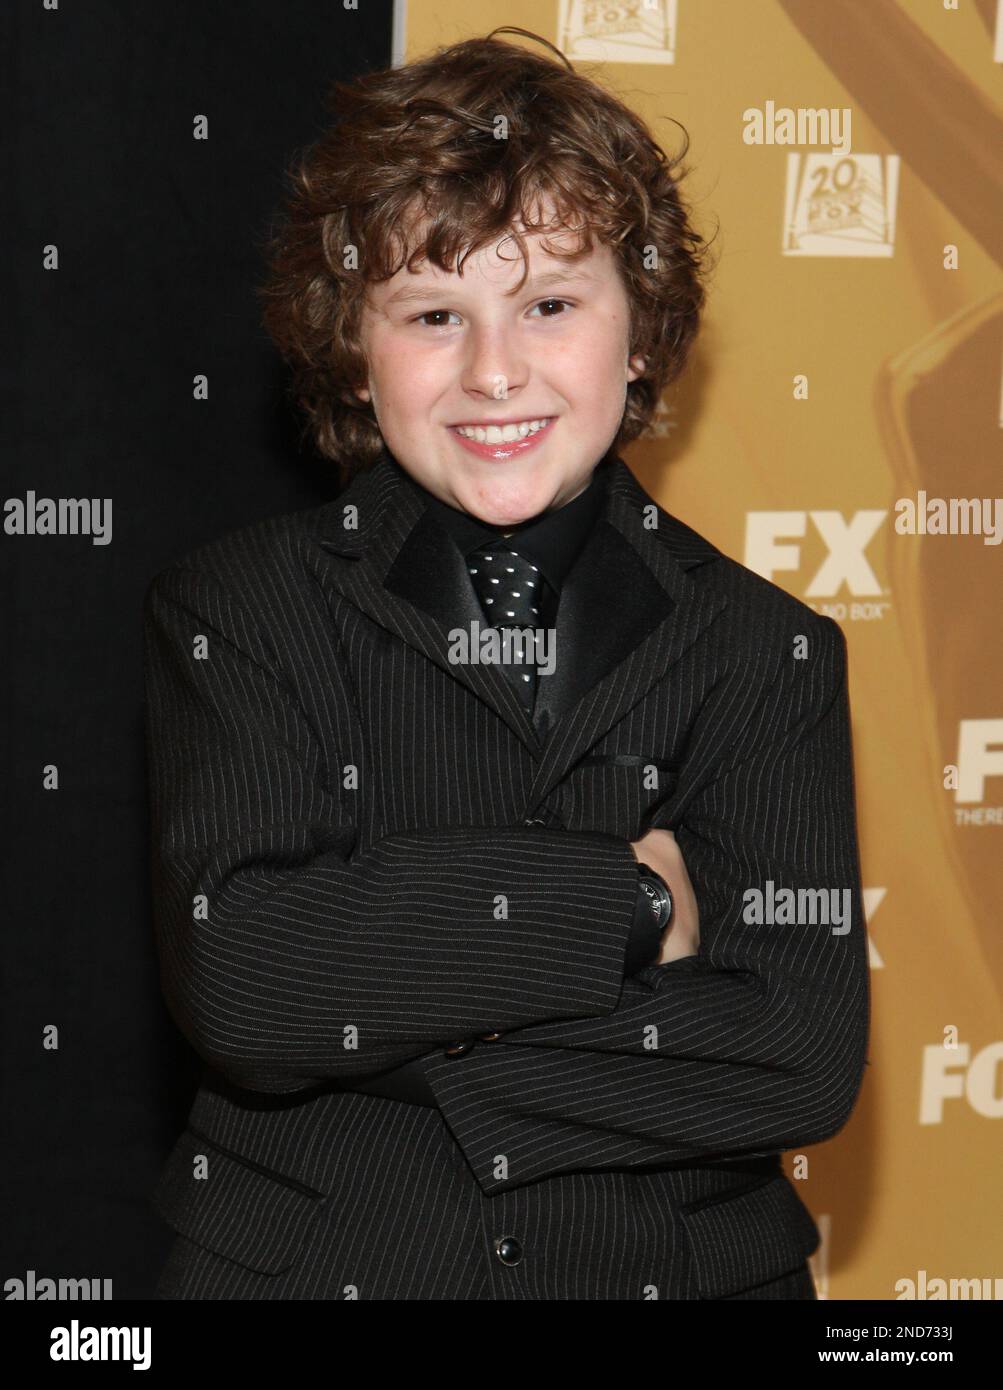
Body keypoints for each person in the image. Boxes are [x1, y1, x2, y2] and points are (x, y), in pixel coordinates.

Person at [143, 28, 868, 1300]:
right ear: (356, 356)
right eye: (433, 314)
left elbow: (796, 1050)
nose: (493, 371)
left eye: (548, 302)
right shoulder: (238, 609)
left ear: (638, 331)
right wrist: (631, 906)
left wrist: (402, 1012)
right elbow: (250, 984)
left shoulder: (768, 651)